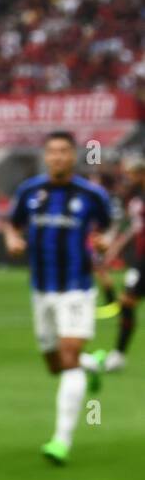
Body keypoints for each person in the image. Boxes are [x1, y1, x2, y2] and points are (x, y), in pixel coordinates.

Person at [5, 131, 114, 465]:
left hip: (77, 288)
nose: (57, 157)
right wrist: (12, 240)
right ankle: (90, 365)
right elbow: (12, 225)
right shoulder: (30, 191)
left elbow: (108, 227)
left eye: (64, 151)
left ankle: (60, 441)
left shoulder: (92, 195)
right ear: (45, 156)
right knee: (56, 365)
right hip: (41, 289)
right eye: (51, 151)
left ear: (73, 156)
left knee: (68, 354)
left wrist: (104, 243)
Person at [92, 156, 145, 372]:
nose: (128, 178)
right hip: (142, 259)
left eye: (131, 174)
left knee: (127, 301)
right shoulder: (135, 200)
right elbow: (133, 229)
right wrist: (113, 249)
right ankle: (118, 355)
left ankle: (118, 355)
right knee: (127, 302)